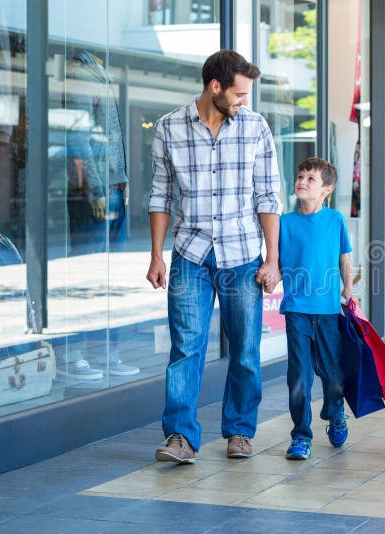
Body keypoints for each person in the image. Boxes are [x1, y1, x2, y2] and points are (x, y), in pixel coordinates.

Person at [147, 50, 282, 463]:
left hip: (242, 256)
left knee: (245, 350)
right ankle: (181, 437)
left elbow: (267, 196)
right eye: (239, 94)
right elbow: (160, 195)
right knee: (186, 348)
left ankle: (240, 431)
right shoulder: (169, 127)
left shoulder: (255, 127)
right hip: (190, 254)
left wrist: (272, 258)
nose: (244, 101)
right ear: (215, 86)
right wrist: (156, 256)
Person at [64, 49, 138, 380]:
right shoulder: (80, 75)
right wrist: (94, 189)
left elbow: (109, 139)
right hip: (98, 193)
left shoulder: (100, 75)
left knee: (110, 279)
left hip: (114, 190)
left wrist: (122, 184)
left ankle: (107, 353)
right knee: (87, 277)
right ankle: (73, 357)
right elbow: (77, 136)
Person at [279, 157, 354, 461]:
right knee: (299, 378)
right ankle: (301, 436)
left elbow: (344, 259)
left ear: (327, 189)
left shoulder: (335, 220)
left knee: (333, 376)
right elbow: (276, 260)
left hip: (328, 311)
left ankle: (335, 413)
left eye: (311, 179)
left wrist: (348, 288)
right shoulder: (284, 222)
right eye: (300, 176)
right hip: (296, 310)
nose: (302, 181)